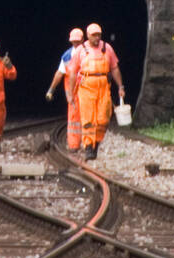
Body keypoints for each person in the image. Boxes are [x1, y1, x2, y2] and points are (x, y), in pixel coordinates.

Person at [73, 22, 124, 161]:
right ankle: (89, 146)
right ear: (88, 35)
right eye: (94, 35)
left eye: (98, 35)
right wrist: (71, 92)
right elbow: (72, 71)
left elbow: (114, 68)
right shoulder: (80, 50)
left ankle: (96, 143)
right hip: (86, 88)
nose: (97, 37)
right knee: (88, 119)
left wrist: (120, 86)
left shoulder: (107, 48)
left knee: (103, 119)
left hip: (103, 88)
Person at [46, 27, 84, 150]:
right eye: (74, 41)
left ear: (83, 40)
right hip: (72, 93)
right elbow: (59, 73)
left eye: (78, 41)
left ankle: (89, 145)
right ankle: (74, 145)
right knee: (73, 120)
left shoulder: (88, 53)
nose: (76, 43)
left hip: (86, 91)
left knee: (88, 118)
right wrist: (51, 89)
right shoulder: (67, 56)